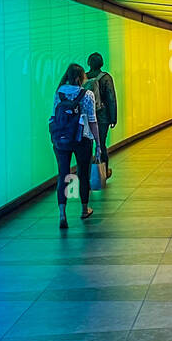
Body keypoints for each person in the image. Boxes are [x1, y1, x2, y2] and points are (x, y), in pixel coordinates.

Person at [51, 63, 98, 228]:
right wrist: (98, 143)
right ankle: (84, 209)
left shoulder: (59, 92)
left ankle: (62, 214)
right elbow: (92, 121)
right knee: (83, 174)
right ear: (80, 77)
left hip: (61, 140)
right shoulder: (87, 94)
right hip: (82, 139)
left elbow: (53, 116)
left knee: (62, 175)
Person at [85, 52, 118, 179]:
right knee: (101, 144)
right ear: (101, 63)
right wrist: (113, 117)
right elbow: (111, 98)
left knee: (87, 146)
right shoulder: (106, 78)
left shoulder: (84, 77)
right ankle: (103, 173)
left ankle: (87, 174)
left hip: (87, 116)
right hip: (102, 116)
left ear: (89, 63)